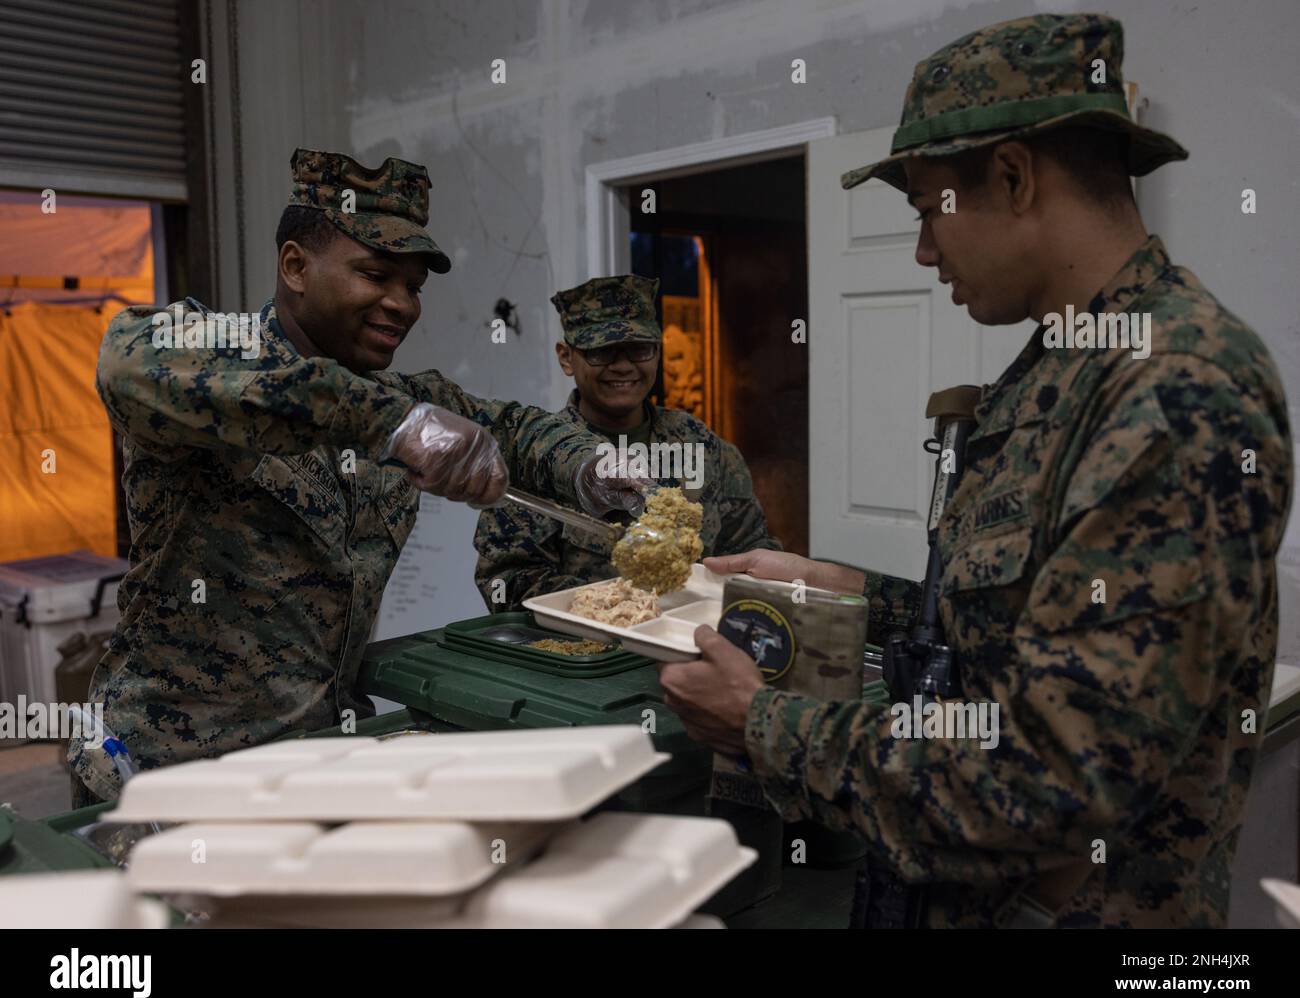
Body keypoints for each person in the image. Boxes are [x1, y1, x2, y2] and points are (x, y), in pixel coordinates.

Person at [657, 13, 1293, 928]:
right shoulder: (1070, 362)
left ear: (1012, 176)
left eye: (927, 211)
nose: (922, 251)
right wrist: (842, 590)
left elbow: (1056, 778)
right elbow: (1021, 623)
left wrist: (763, 725)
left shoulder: (1176, 388)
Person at [67, 149, 639, 805]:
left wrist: (587, 464)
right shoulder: (217, 372)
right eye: (375, 274)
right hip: (170, 777)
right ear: (295, 266)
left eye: (415, 287)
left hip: (314, 765)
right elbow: (125, 361)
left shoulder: (403, 397)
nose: (401, 304)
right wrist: (394, 426)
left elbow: (512, 427)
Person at [473, 274, 780, 611]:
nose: (622, 366)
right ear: (566, 357)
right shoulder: (534, 455)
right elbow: (505, 580)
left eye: (638, 349)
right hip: (585, 654)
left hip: (688, 644)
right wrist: (618, 607)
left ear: (658, 351)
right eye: (601, 351)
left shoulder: (702, 445)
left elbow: (753, 550)